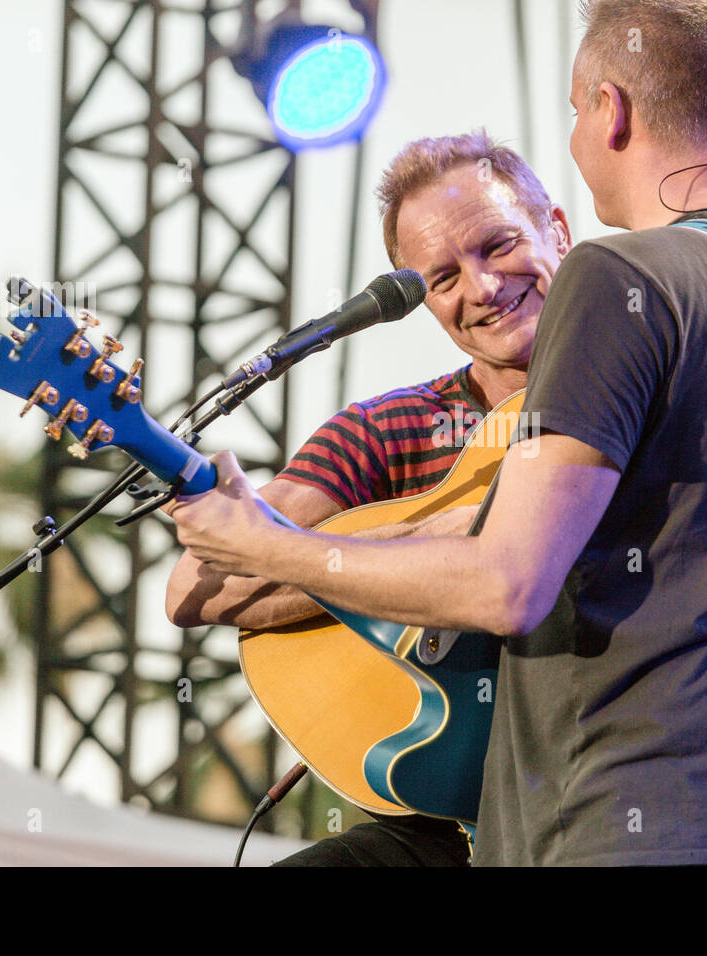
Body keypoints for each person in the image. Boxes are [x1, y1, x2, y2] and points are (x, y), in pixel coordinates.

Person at [169, 0, 707, 866]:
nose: (579, 139)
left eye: (577, 112)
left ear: (611, 109)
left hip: (617, 823)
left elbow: (507, 586)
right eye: (440, 277)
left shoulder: (613, 273)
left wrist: (272, 548)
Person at [164, 130, 572, 865]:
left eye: (499, 244)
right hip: (439, 809)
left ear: (560, 231)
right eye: (442, 278)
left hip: (606, 798)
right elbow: (198, 587)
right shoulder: (386, 428)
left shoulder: (657, 395)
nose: (480, 288)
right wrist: (436, 543)